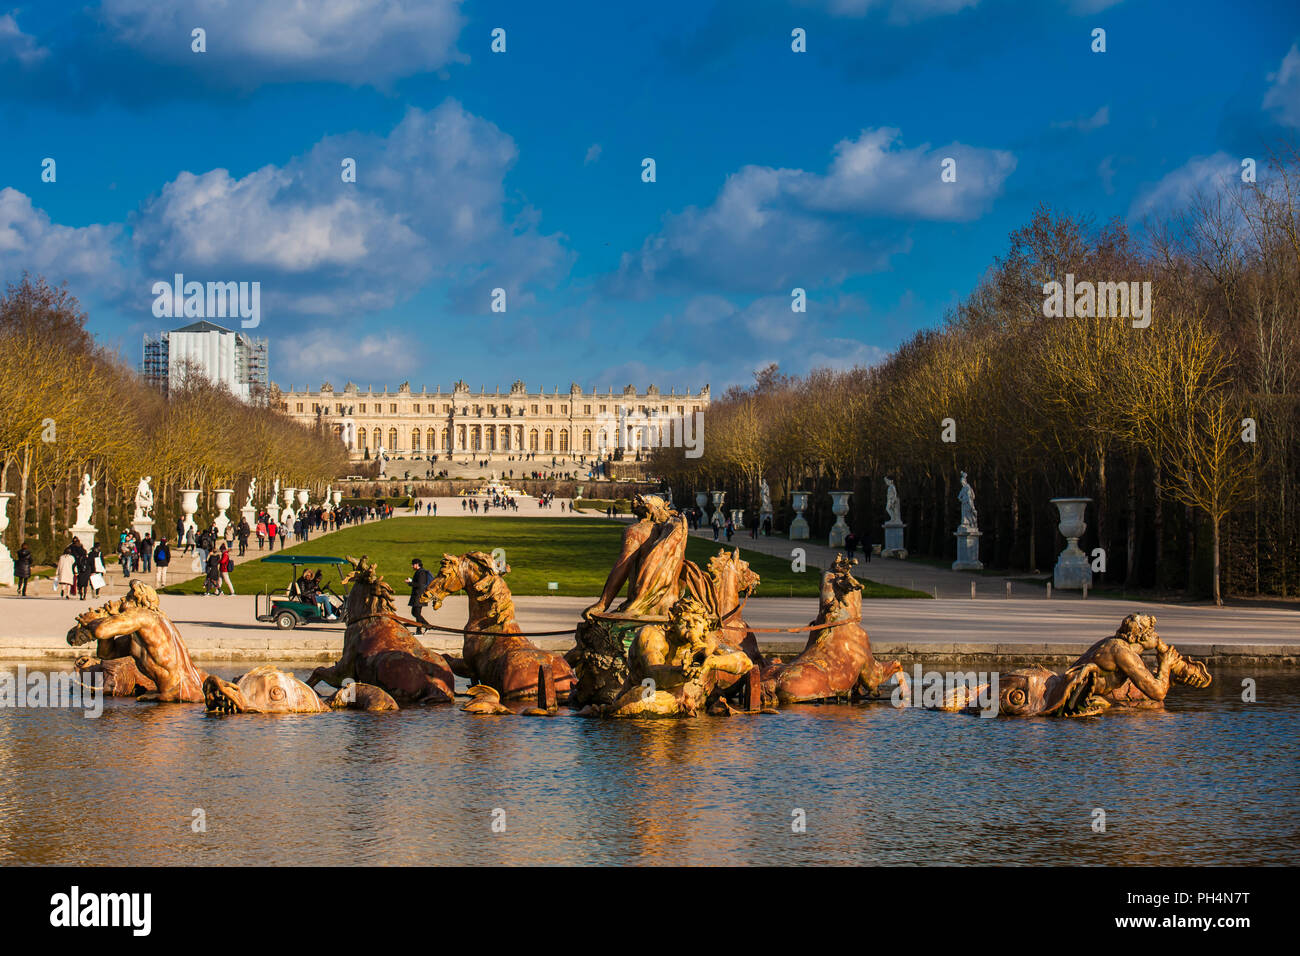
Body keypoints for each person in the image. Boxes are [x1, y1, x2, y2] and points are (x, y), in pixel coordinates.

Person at [406, 558, 434, 635]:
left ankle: (425, 627)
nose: (412, 566)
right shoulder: (419, 572)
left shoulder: (421, 573)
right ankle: (421, 629)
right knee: (415, 612)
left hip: (419, 596)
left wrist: (410, 582)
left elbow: (420, 585)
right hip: (417, 596)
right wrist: (411, 582)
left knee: (416, 613)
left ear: (417, 564)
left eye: (413, 564)